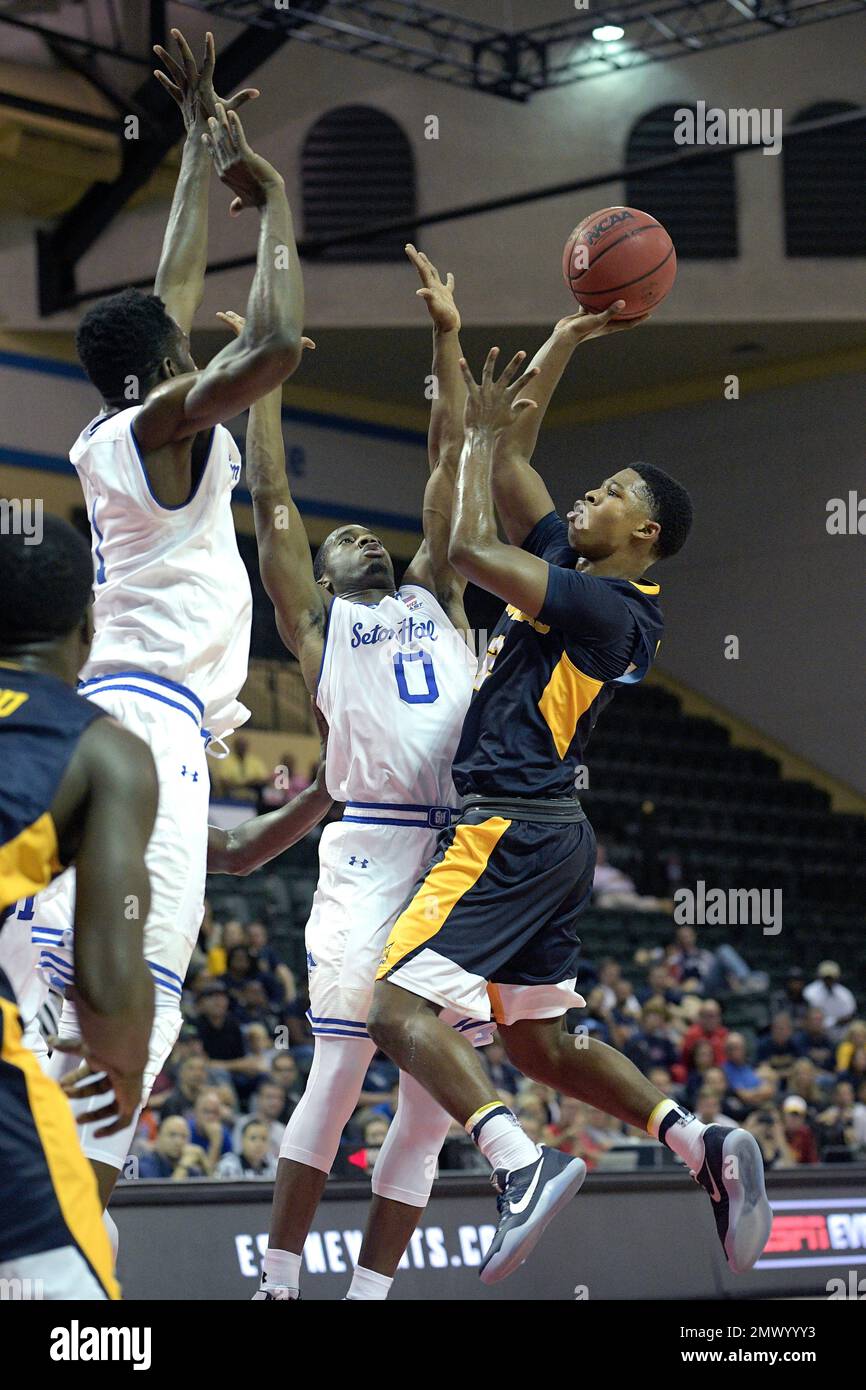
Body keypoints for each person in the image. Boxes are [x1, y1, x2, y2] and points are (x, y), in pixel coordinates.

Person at [369, 325, 769, 1282]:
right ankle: (690, 1139)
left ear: (646, 536)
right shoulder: (579, 572)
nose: (589, 496)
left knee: (391, 1006)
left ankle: (521, 1161)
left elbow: (466, 541)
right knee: (536, 1039)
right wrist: (566, 336)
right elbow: (512, 452)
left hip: (508, 828)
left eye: (613, 493)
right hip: (549, 837)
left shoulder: (608, 606)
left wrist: (468, 443)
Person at [20, 31, 306, 1231]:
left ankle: (39, 1194)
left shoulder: (117, 428)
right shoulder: (161, 425)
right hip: (153, 730)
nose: (194, 341)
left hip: (116, 720)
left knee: (64, 993)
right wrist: (275, 205)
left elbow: (171, 295)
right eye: (185, 351)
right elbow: (276, 343)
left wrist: (195, 148)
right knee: (141, 1000)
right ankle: (65, 1229)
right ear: (166, 374)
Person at [230, 247, 490, 1303]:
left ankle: (370, 1298)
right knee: (335, 1076)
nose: (359, 542)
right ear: (319, 579)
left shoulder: (436, 596)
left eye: (367, 536)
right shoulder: (315, 627)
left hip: (459, 856)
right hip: (370, 850)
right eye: (338, 540)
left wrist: (445, 337)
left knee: (429, 1110)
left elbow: (447, 463)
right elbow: (271, 490)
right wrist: (262, 383)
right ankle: (281, 1283)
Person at [0, 518, 156, 1299]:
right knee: (86, 1327)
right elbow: (109, 968)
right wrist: (121, 1062)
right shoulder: (103, 750)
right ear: (87, 628)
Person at [137, 1116, 207, 1180]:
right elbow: (165, 1193)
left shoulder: (189, 1165)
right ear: (158, 1136)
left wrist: (203, 1161)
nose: (178, 1142)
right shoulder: (146, 1165)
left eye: (184, 1136)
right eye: (172, 1135)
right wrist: (183, 1166)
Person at [803, 961, 857, 1038]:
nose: (828, 981)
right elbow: (808, 1016)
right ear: (820, 977)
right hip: (814, 1035)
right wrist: (835, 1021)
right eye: (826, 978)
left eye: (831, 978)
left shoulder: (845, 994)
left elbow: (850, 1016)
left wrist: (836, 1022)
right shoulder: (810, 992)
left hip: (840, 1034)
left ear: (837, 978)